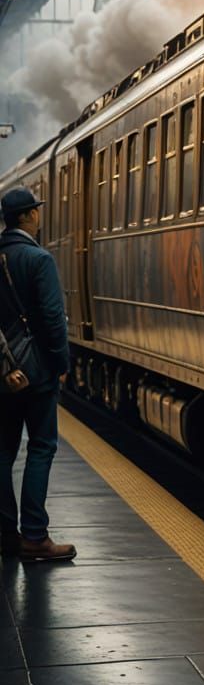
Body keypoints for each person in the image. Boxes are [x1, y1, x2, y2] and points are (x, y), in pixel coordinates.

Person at [0, 186, 76, 561]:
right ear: (29, 216)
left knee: (2, 451)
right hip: (36, 372)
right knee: (41, 447)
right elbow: (51, 320)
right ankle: (33, 535)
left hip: (2, 371)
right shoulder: (37, 259)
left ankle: (5, 535)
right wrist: (60, 365)